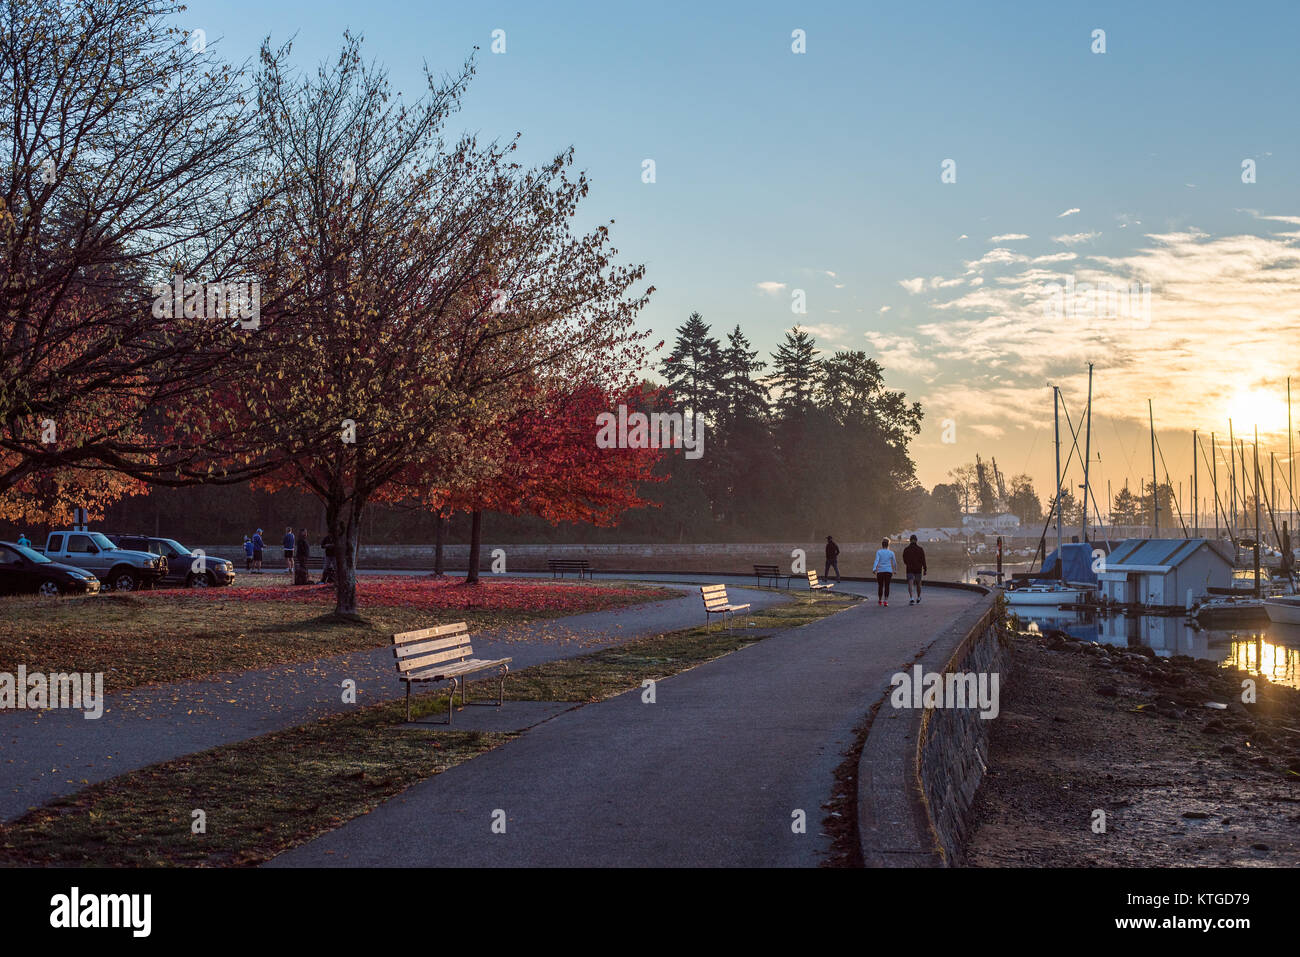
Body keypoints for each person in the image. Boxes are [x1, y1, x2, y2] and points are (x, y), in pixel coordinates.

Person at [903, 534, 928, 605]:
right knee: (918, 584)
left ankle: (911, 598)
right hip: (918, 569)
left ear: (910, 540)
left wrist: (908, 564)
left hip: (909, 568)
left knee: (910, 583)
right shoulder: (920, 549)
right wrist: (925, 569)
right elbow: (923, 560)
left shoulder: (906, 549)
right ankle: (919, 597)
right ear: (916, 540)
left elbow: (904, 559)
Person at [872, 537, 897, 606]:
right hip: (888, 571)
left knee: (880, 586)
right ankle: (885, 601)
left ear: (882, 545)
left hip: (880, 571)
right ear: (888, 545)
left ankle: (880, 600)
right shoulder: (891, 553)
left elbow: (876, 560)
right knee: (887, 586)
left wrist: (874, 569)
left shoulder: (879, 552)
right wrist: (895, 570)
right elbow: (894, 562)